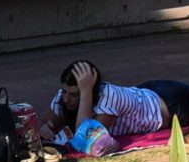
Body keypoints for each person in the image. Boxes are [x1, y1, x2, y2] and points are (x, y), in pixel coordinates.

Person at [48, 59, 177, 156]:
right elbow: (40, 124)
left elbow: (86, 138)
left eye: (74, 94)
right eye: (64, 92)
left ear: (90, 89)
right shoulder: (64, 97)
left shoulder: (108, 97)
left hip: (170, 103)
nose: (66, 99)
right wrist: (45, 129)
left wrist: (86, 91)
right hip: (145, 92)